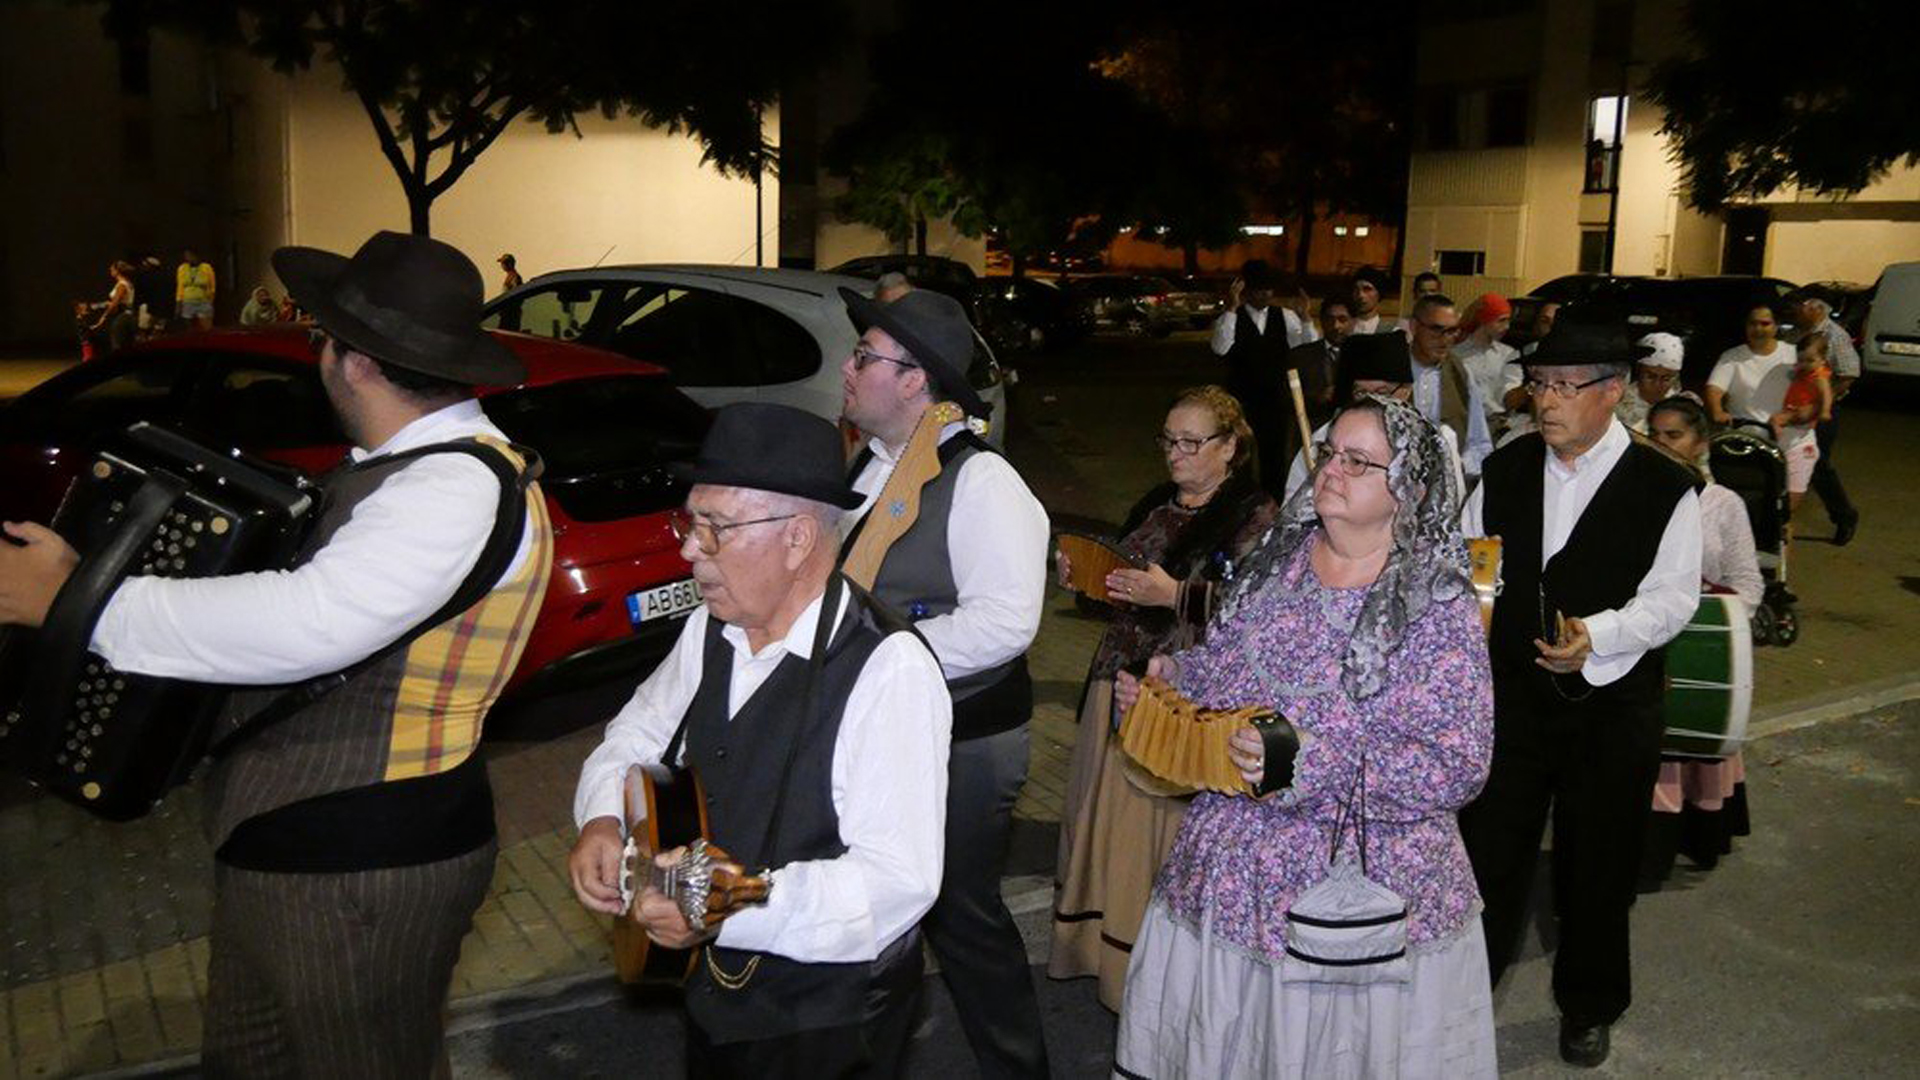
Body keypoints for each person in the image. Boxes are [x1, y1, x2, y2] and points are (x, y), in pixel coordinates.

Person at [0, 230, 552, 1076]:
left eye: (320, 338)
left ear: (353, 361)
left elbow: (308, 623)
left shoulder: (452, 486)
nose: (315, 354)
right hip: (298, 845)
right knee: (247, 1060)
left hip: (362, 861)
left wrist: (77, 602)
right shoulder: (412, 470)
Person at [1111, 395, 1497, 1079]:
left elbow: (1457, 762)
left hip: (1360, 895)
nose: (1332, 471)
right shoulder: (1277, 564)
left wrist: (1309, 760)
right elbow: (1223, 665)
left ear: (1408, 488)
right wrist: (1174, 683)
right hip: (1233, 875)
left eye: (1359, 461)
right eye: (1329, 454)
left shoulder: (1434, 602)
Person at [567, 403, 949, 1078]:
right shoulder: (710, 628)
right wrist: (602, 815)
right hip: (712, 990)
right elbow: (637, 732)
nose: (689, 550)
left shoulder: (888, 668)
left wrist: (721, 911)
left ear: (797, 539)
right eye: (690, 523)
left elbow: (897, 881)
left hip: (824, 1021)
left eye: (714, 528)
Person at [1459, 320, 1702, 1068]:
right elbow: (1470, 568)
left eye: (1566, 387)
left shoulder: (1665, 484)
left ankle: (1589, 1006)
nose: (1547, 401)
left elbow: (1674, 598)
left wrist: (1598, 635)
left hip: (1613, 710)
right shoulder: (1505, 468)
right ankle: (1462, 1000)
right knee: (1488, 856)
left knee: (1598, 864)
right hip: (1512, 704)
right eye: (1540, 384)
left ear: (1613, 391)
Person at [836, 286, 1053, 1078]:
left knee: (961, 916)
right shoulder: (874, 464)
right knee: (886, 909)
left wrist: (879, 654)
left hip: (966, 740)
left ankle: (1020, 1069)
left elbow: (1004, 624)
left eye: (865, 356)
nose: (847, 368)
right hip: (893, 732)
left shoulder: (983, 482)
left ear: (915, 379)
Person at [1048, 385, 1277, 1010]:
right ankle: (1098, 953)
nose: (1176, 454)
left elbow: (1259, 613)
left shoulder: (1254, 514)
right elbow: (1123, 592)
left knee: (1148, 839)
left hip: (1181, 702)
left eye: (1192, 442)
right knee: (1104, 829)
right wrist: (1089, 583)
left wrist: (1174, 595)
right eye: (1169, 440)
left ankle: (1151, 975)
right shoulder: (1156, 502)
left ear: (1230, 447)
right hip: (1116, 680)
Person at [1640, 394, 1761, 888]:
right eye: (1655, 434)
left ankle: (1698, 836)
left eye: (1675, 435)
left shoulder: (1723, 504)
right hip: (1647, 639)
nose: (1663, 444)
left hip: (1701, 647)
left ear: (1701, 442)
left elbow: (1748, 583)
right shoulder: (1636, 498)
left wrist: (1712, 636)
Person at [1286, 331, 1466, 500]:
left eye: (1382, 393)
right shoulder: (1324, 441)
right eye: (1361, 393)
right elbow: (1293, 504)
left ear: (1405, 391)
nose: (1372, 403)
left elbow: (1450, 504)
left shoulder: (1435, 441)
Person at [1211, 259, 1319, 495]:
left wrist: (1306, 318)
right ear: (1246, 290)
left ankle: (1273, 501)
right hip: (1241, 400)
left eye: (1268, 289)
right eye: (1258, 289)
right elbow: (1220, 347)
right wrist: (1231, 308)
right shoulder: (1232, 317)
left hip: (1275, 400)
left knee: (1275, 457)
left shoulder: (1285, 316)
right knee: (1240, 456)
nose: (1264, 294)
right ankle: (1240, 501)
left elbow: (1308, 347)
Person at [1407, 293, 1495, 480]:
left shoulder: (1460, 373)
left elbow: (1479, 443)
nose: (1445, 339)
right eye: (1437, 329)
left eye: (1452, 331)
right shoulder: (1392, 368)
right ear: (1414, 327)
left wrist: (1456, 468)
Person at [1796, 296, 1860, 544]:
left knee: (1817, 465)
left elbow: (1848, 374)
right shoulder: (1801, 333)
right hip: (1796, 410)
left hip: (1822, 413)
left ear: (1816, 308)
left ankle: (1845, 516)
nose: (1796, 311)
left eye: (1801, 306)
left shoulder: (1835, 335)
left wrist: (1821, 403)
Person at [1704, 301, 1794, 431]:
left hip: (1789, 433)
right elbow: (1714, 388)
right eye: (1753, 323)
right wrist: (1717, 411)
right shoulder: (1731, 356)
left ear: (1776, 327)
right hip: (1745, 434)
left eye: (1765, 324)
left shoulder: (1793, 354)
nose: (1758, 329)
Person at [1771, 332, 1832, 518]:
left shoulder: (1819, 376)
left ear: (1822, 360)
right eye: (1801, 360)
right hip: (1793, 412)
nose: (1805, 364)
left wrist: (1824, 411)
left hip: (1801, 416)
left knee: (1776, 421)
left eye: (1810, 360)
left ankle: (1776, 438)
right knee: (1776, 421)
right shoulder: (1802, 372)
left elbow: (1826, 394)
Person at [1452, 293, 1520, 429]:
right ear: (1485, 320)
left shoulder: (1508, 354)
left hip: (1502, 424)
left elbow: (1511, 388)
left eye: (1508, 320)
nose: (1507, 326)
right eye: (1501, 320)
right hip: (1468, 424)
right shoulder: (1456, 354)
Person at [1614, 331, 1683, 433]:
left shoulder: (1681, 405)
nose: (1657, 385)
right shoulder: (1619, 405)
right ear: (1639, 371)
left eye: (1666, 379)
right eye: (1650, 376)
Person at [88, 260, 138, 353]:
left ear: (117, 271)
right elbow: (119, 302)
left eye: (112, 269)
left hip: (124, 316)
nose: (110, 271)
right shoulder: (127, 283)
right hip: (129, 315)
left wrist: (103, 318)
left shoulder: (122, 284)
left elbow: (115, 303)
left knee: (117, 344)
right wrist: (99, 305)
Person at [176, 247, 217, 330]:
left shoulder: (206, 267)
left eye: (189, 255)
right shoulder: (182, 268)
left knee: (206, 328)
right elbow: (180, 287)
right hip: (187, 301)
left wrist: (210, 301)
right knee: (189, 329)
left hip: (203, 301)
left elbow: (212, 287)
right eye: (186, 256)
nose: (187, 258)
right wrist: (178, 303)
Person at [1349, 266, 1393, 336]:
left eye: (1367, 289)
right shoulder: (1345, 329)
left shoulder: (1390, 332)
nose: (1360, 295)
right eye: (1356, 289)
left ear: (1378, 293)